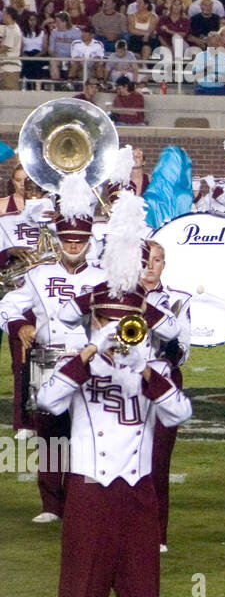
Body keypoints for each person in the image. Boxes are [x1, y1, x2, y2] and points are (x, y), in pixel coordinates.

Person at [38, 192, 191, 597]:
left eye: (124, 321)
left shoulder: (151, 367)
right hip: (88, 491)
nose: (116, 329)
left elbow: (179, 413)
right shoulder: (81, 361)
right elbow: (47, 401)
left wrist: (142, 366)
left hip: (138, 493)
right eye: (108, 319)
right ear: (96, 320)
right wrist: (91, 352)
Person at [0, 174, 105, 522]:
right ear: (59, 240)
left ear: (90, 242)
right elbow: (8, 306)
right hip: (48, 359)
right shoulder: (37, 274)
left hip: (89, 362)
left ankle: (82, 499)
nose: (73, 246)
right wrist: (21, 326)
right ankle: (50, 504)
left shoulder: (102, 279)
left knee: (87, 431)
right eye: (68, 240)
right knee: (50, 433)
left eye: (80, 241)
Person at [140, 239, 192, 553]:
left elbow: (183, 348)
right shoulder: (119, 296)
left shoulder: (179, 299)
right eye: (145, 260)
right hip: (123, 381)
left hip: (163, 380)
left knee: (157, 460)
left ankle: (156, 533)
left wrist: (170, 345)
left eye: (157, 260)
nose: (150, 266)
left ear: (164, 264)